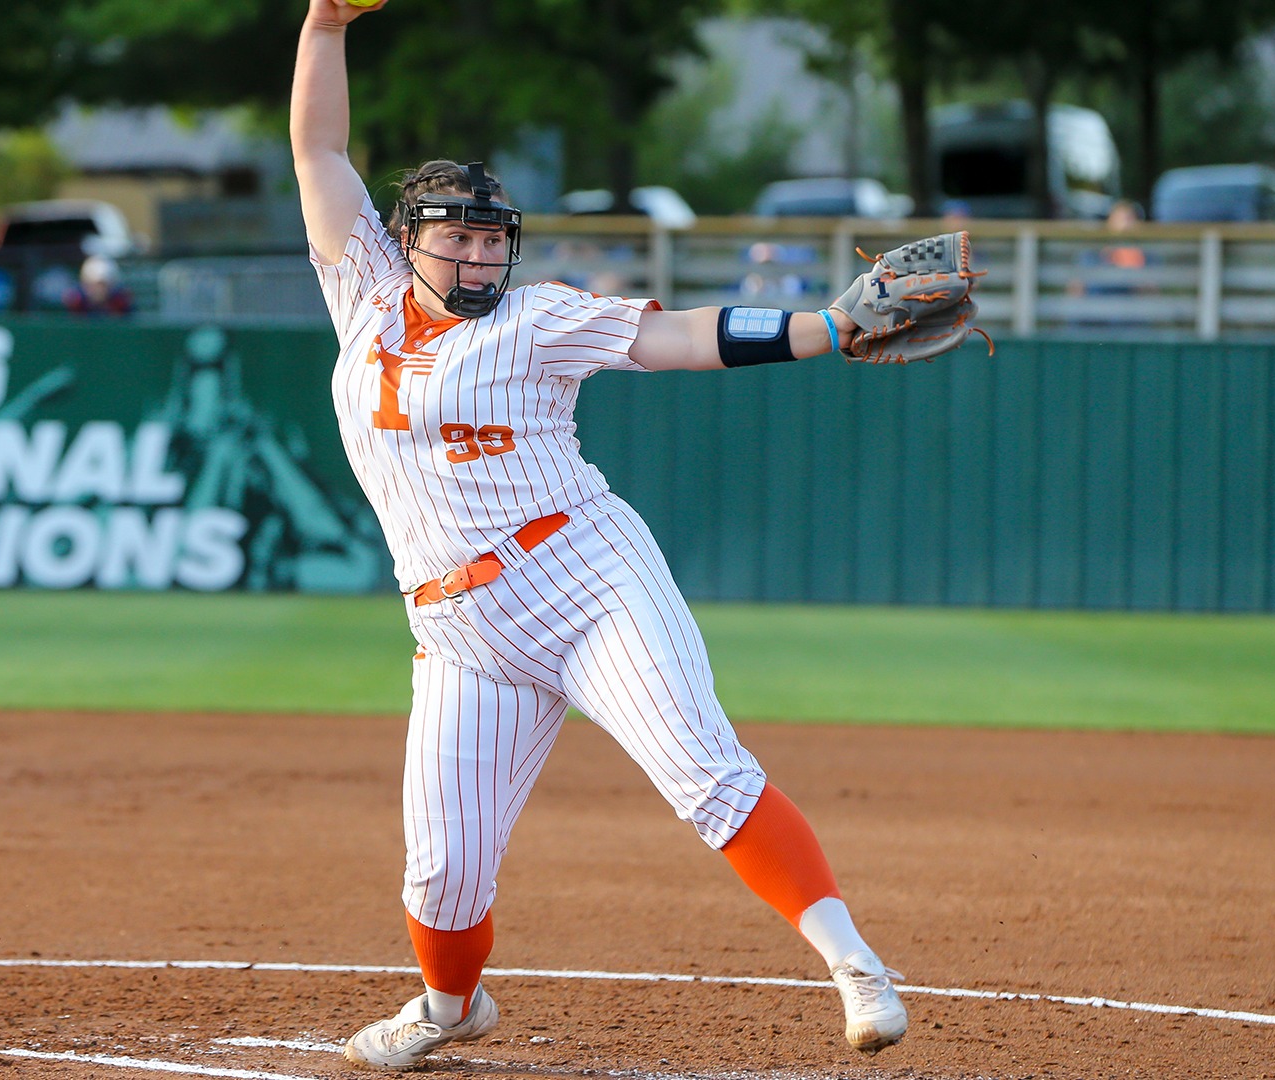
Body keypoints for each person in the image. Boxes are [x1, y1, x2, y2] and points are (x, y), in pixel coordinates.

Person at [292, 1, 922, 1068]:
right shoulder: (363, 294)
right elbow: (317, 149)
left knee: (703, 772)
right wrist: (322, 25)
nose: (479, 256)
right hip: (458, 631)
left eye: (492, 239)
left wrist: (827, 328)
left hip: (582, 575)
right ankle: (448, 1010)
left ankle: (855, 965)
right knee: (442, 873)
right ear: (408, 242)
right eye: (457, 237)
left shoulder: (536, 319)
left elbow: (682, 337)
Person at [62, 254, 134, 316]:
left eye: (103, 284)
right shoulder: (75, 301)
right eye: (93, 284)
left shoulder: (121, 302)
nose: (98, 289)